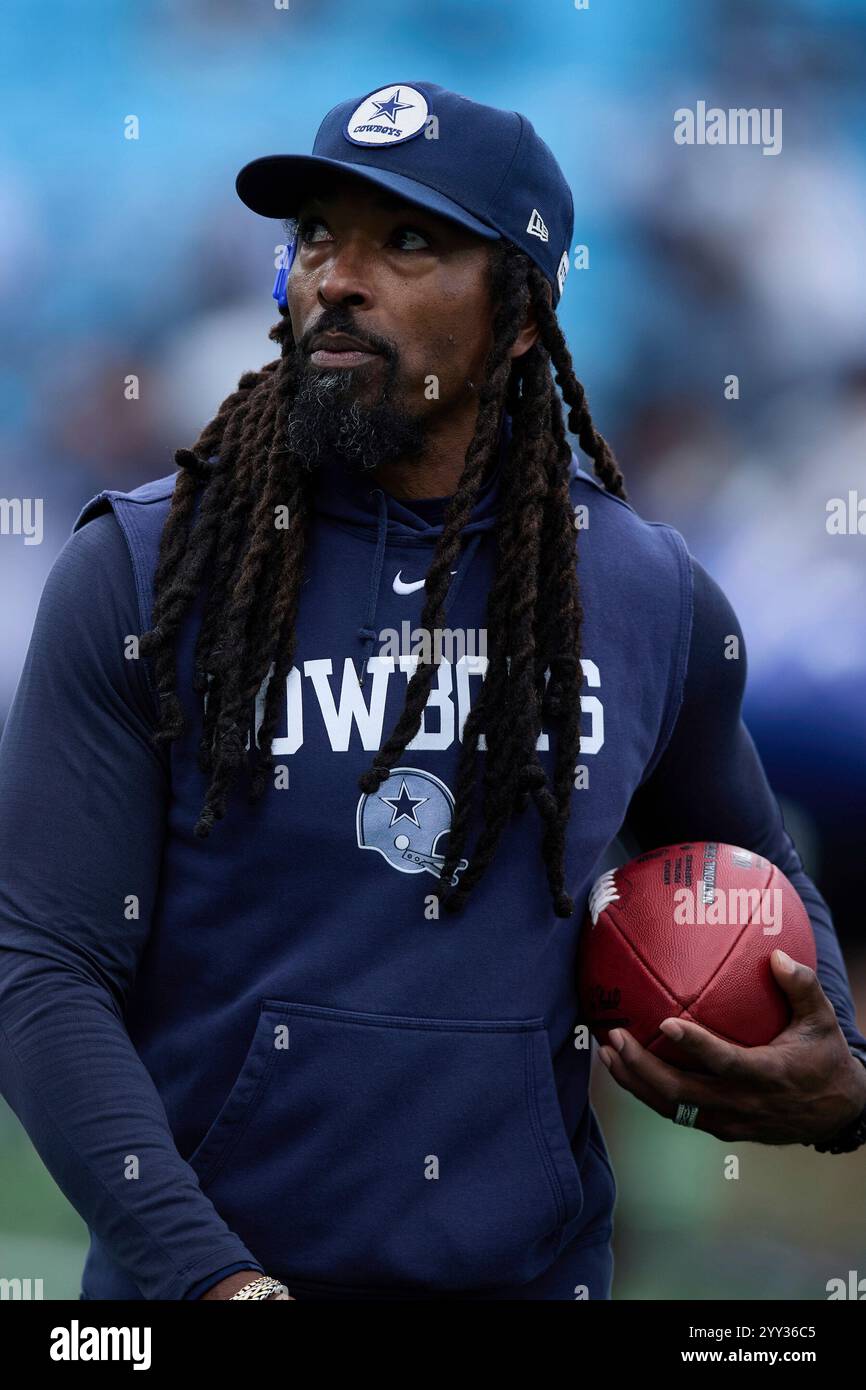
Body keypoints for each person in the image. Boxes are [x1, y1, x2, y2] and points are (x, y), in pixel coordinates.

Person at [1, 81, 865, 1303]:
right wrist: (213, 1283)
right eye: (314, 238)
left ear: (519, 313)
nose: (336, 279)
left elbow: (755, 861)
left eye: (406, 241)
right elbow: (38, 967)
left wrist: (839, 1066)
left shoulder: (642, 592)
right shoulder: (140, 572)